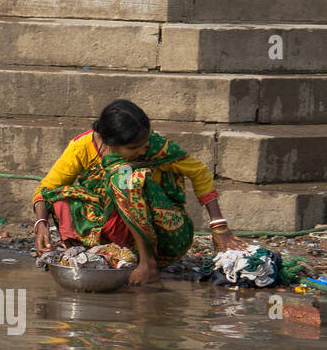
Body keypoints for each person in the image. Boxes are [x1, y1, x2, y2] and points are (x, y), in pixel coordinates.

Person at [33, 99, 238, 286]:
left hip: (164, 237)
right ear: (109, 142)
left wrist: (219, 227)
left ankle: (147, 263)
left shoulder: (159, 148)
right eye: (134, 148)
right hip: (106, 233)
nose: (142, 151)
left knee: (125, 178)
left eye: (145, 144)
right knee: (60, 199)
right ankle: (98, 258)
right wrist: (41, 223)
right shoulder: (82, 147)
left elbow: (200, 172)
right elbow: (46, 190)